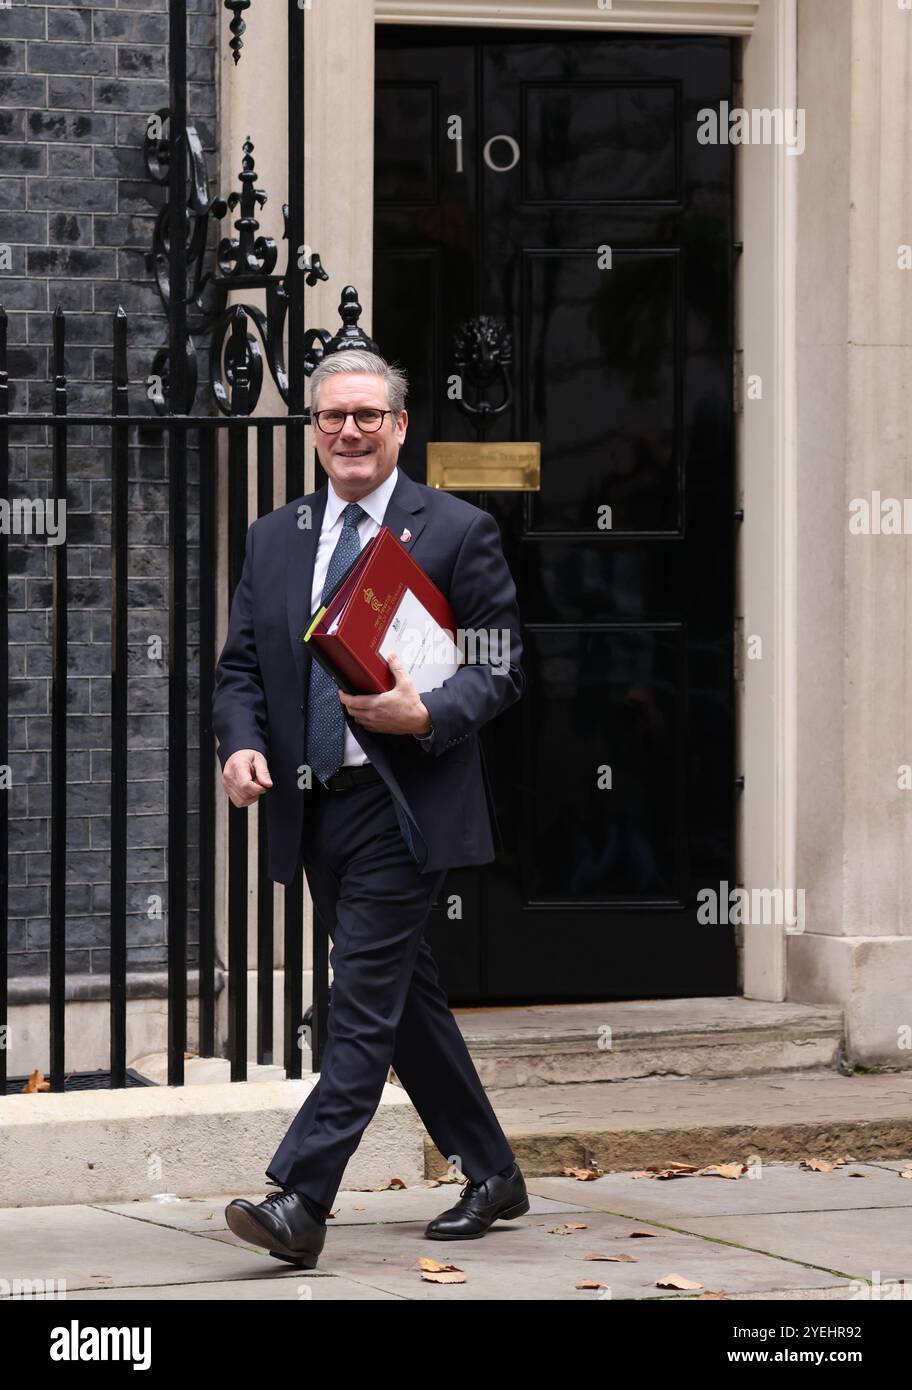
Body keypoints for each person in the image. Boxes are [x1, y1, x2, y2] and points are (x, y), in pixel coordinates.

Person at [213, 348, 528, 1269]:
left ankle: (302, 1199)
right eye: (331, 418)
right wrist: (241, 743)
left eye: (367, 416)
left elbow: (500, 664)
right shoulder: (277, 537)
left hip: (405, 803)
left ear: (399, 426)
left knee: (358, 1001)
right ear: (313, 432)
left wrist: (426, 712)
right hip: (314, 806)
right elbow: (241, 670)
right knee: (403, 1000)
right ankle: (493, 1170)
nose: (348, 431)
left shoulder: (457, 530)